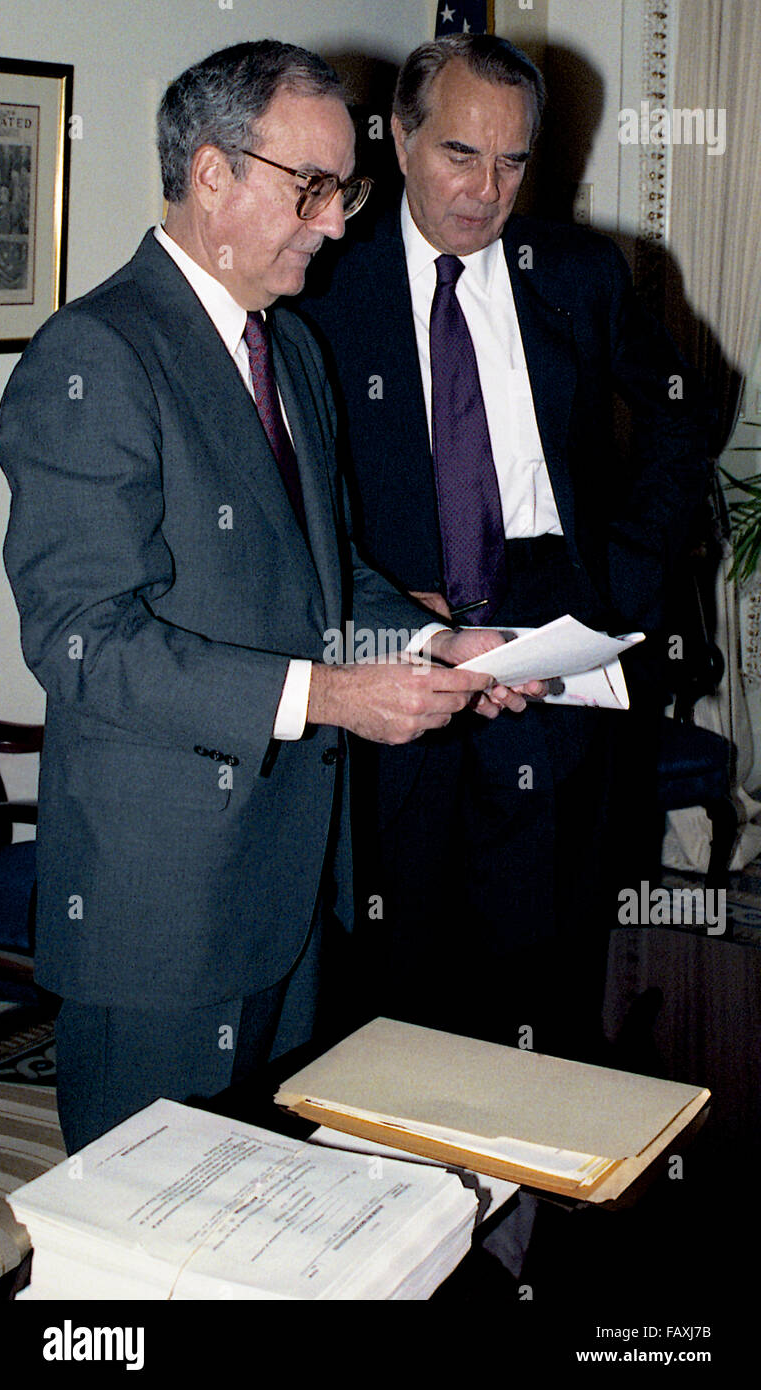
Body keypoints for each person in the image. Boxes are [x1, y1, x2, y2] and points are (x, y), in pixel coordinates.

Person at [0, 39, 534, 1154]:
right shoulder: (91, 356)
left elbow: (325, 570)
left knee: (265, 1224)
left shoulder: (288, 352)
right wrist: (332, 695)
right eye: (314, 189)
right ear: (211, 173)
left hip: (292, 887)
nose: (338, 224)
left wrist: (440, 644)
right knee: (147, 1242)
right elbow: (85, 642)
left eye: (348, 189)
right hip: (162, 911)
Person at [299, 34, 711, 1058]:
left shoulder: (577, 272)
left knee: (544, 941)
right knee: (397, 944)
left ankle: (527, 1192)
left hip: (553, 612)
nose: (486, 191)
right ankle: (408, 1188)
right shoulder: (324, 284)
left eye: (513, 161)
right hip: (400, 620)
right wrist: (382, 610)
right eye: (458, 154)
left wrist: (625, 564)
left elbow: (680, 402)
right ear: (397, 138)